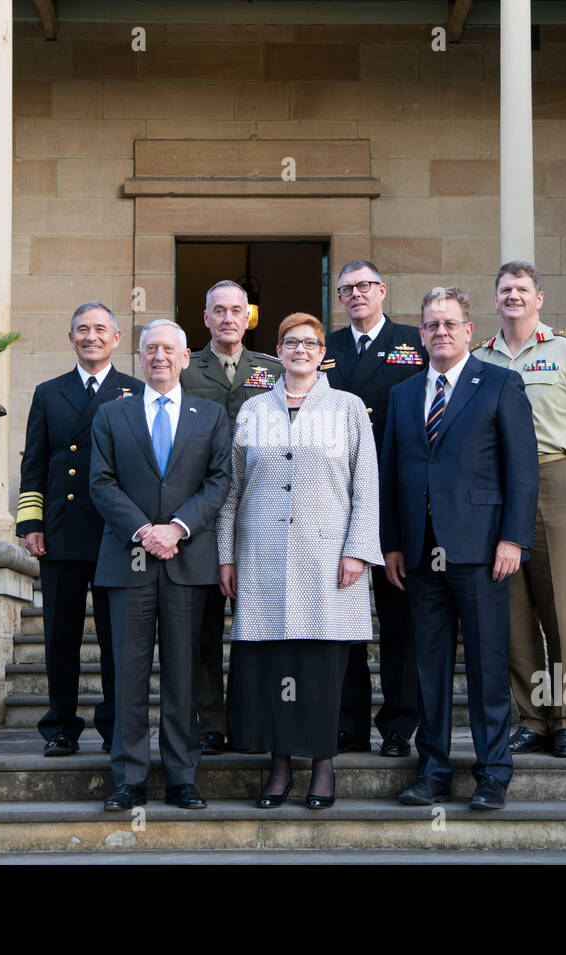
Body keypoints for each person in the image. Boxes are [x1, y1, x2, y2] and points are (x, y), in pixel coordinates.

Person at [381, 287, 538, 810]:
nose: (440, 332)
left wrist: (514, 538)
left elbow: (522, 470)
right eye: (430, 325)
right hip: (421, 555)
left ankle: (493, 774)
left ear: (469, 330)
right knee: (429, 670)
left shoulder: (499, 384)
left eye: (449, 323)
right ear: (420, 333)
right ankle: (434, 770)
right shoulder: (403, 396)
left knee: (488, 670)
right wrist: (394, 545)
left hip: (482, 551)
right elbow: (392, 476)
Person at [217, 313, 382, 809]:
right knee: (273, 669)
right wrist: (226, 556)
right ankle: (280, 766)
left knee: (320, 670)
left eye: (310, 342)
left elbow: (366, 486)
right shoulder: (253, 410)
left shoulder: (348, 408)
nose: (300, 350)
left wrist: (358, 550)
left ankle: (323, 766)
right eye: (291, 342)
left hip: (327, 558)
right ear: (278, 349)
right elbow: (231, 489)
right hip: (261, 558)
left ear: (321, 350)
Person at [471, 262, 566, 758]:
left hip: (553, 475)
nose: (514, 296)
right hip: (496, 488)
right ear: (495, 300)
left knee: (560, 611)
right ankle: (533, 717)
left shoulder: (565, 351)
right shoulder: (479, 360)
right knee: (511, 611)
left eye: (523, 289)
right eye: (506, 289)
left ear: (539, 298)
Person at [89, 319, 231, 811]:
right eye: (150, 349)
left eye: (169, 349)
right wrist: (145, 530)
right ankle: (128, 778)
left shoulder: (210, 416)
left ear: (186, 357)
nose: (160, 357)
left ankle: (181, 777)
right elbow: (101, 483)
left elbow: (219, 482)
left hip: (188, 563)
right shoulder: (112, 414)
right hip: (127, 562)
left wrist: (176, 528)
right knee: (127, 675)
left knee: (183, 675)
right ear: (140, 356)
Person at [17, 302, 143, 756]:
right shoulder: (49, 392)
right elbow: (34, 463)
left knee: (116, 637)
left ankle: (114, 727)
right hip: (63, 531)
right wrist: (31, 523)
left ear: (116, 338)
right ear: (71, 338)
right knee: (61, 634)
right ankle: (61, 727)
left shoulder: (136, 391)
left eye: (100, 330)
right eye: (82, 330)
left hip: (116, 533)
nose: (91, 337)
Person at [322, 260, 426, 758]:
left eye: (365, 286)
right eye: (347, 289)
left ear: (383, 290)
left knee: (399, 617)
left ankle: (399, 725)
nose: (356, 295)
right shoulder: (327, 348)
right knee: (343, 615)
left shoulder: (416, 340)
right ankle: (348, 723)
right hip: (335, 500)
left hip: (395, 497)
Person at [180, 279, 284, 755]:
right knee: (203, 628)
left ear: (249, 318)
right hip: (199, 512)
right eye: (218, 310)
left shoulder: (273, 369)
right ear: (205, 318)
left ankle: (251, 716)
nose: (227, 318)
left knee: (257, 623)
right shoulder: (185, 368)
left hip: (258, 512)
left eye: (236, 310)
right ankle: (210, 722)